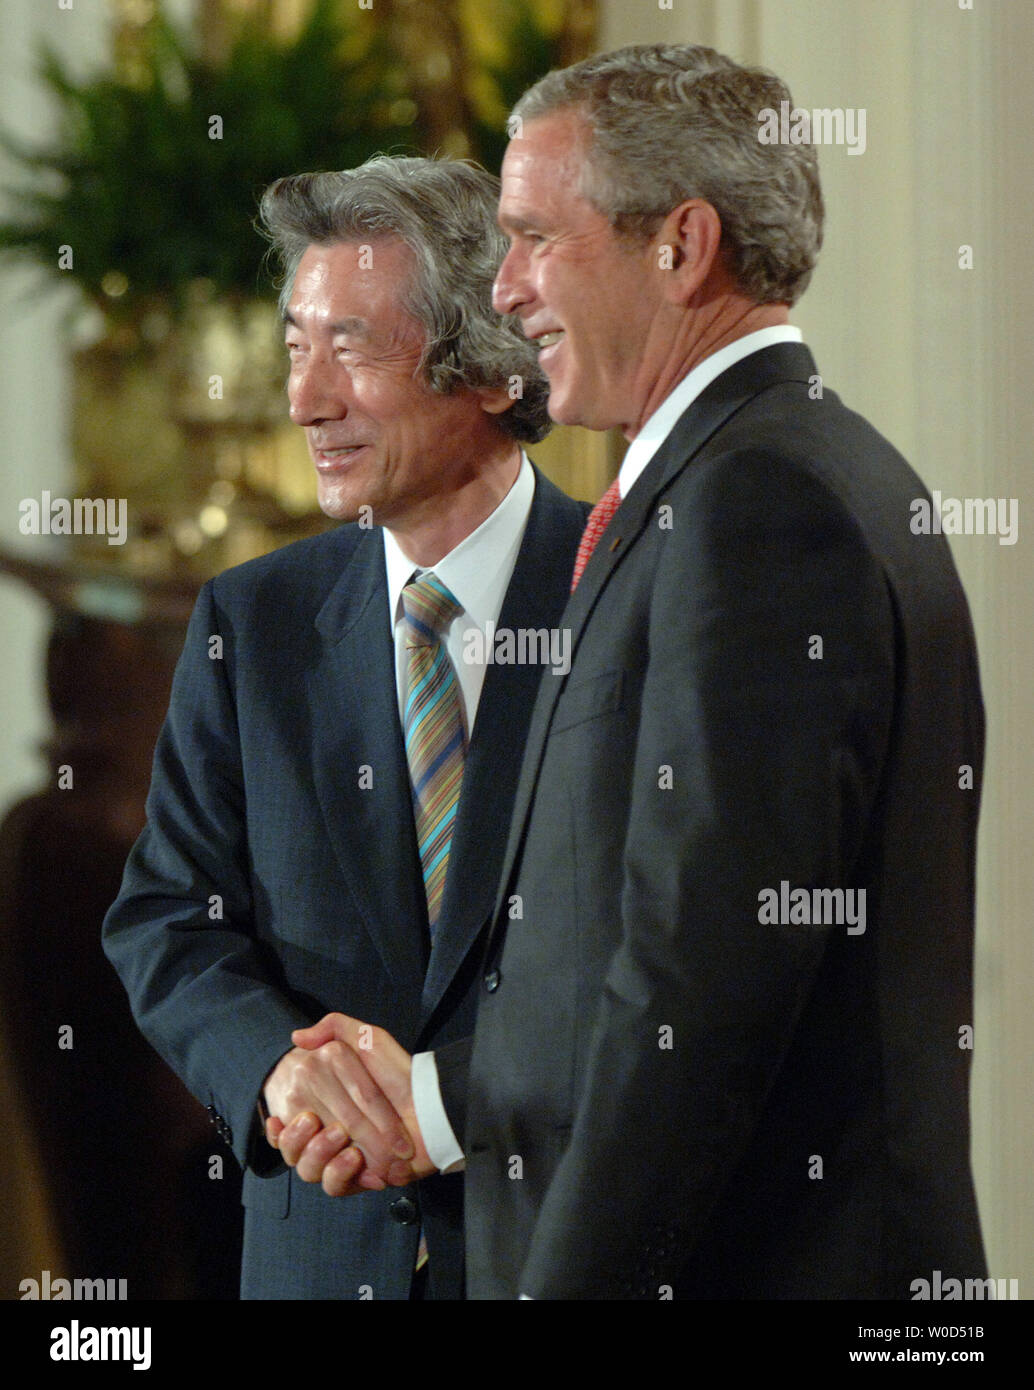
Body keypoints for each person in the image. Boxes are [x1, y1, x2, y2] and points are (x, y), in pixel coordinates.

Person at [274, 44, 987, 1300]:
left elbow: (694, 1002)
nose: (504, 288)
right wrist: (437, 1101)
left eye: (535, 237)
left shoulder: (760, 507)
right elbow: (619, 951)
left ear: (679, 245)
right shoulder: (765, 474)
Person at [102, 155, 588, 1299]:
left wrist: (430, 1106)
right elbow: (167, 917)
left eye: (350, 348)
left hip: (559, 1248)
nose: (302, 399)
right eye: (293, 345)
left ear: (481, 365)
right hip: (319, 1254)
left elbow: (657, 965)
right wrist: (277, 1075)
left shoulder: (622, 598)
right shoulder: (249, 620)